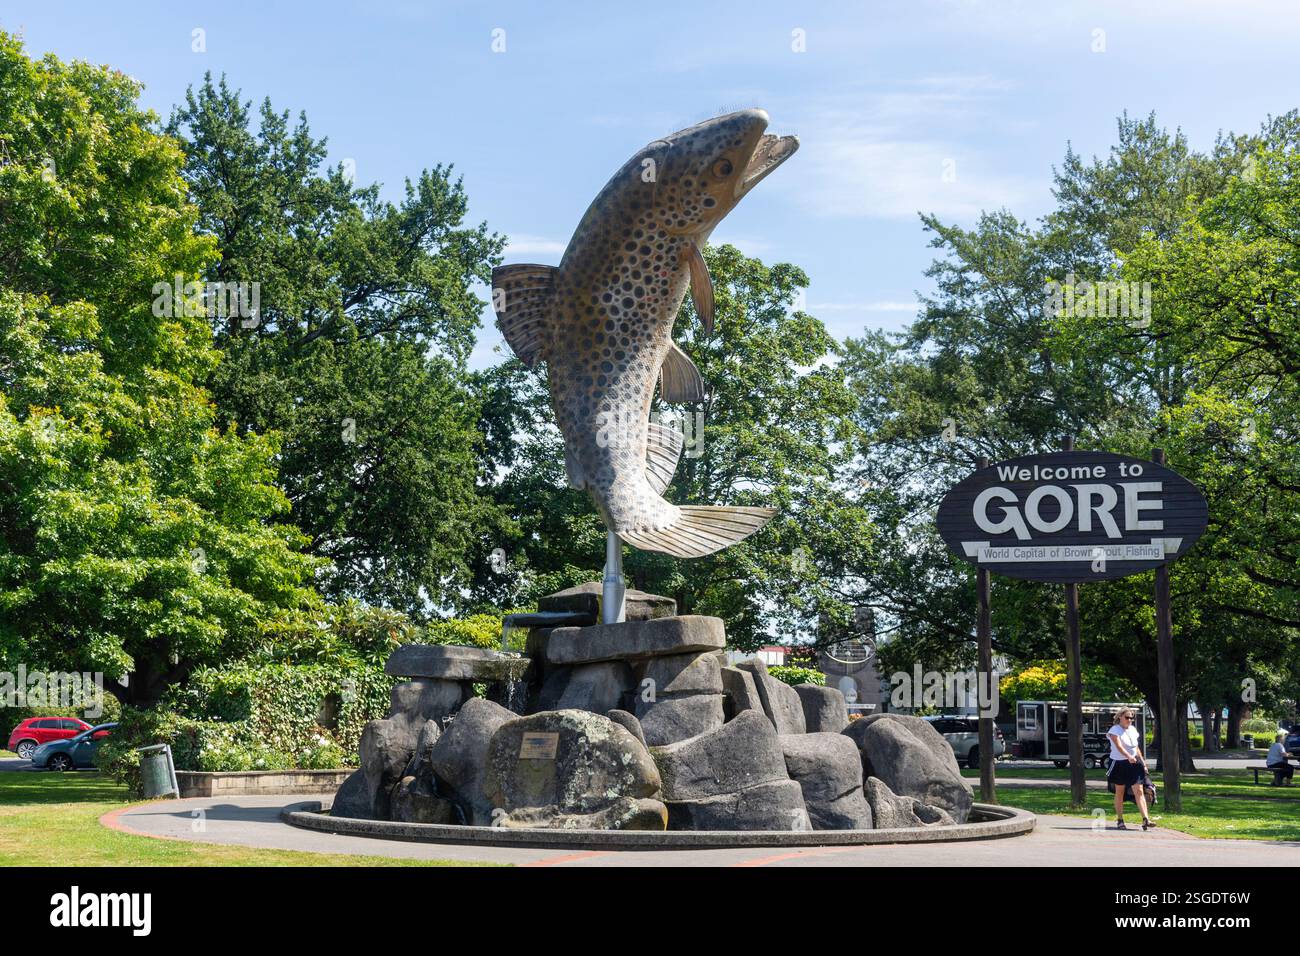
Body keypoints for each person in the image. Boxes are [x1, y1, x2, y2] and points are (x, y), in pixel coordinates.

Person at [1107, 707, 1156, 830]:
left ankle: (1146, 819)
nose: (1130, 720)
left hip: (1134, 763)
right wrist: (1128, 756)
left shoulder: (1133, 730)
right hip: (1119, 764)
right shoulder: (1115, 730)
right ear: (1120, 717)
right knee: (1120, 792)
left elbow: (1136, 748)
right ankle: (1120, 820)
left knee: (1139, 790)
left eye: (1131, 718)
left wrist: (1143, 763)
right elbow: (1118, 746)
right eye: (1127, 717)